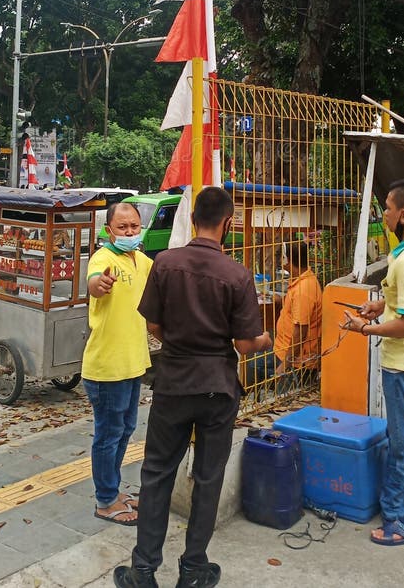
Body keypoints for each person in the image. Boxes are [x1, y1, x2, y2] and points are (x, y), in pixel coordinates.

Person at [114, 186, 272, 588]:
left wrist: (180, 344)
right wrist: (267, 340)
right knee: (207, 476)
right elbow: (244, 343)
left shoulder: (165, 264)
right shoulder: (236, 274)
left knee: (156, 474)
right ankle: (193, 568)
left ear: (192, 219)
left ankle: (144, 569)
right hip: (218, 388)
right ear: (228, 223)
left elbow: (152, 325)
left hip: (174, 383)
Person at [342, 179, 404, 547]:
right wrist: (379, 305)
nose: (381, 213)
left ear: (403, 214)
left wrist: (365, 328)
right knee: (402, 442)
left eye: (386, 207)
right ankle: (398, 512)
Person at [84, 202, 153, 526]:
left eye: (134, 227)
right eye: (122, 227)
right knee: (108, 434)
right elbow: (94, 281)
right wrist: (99, 285)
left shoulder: (142, 262)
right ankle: (105, 500)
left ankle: (112, 491)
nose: (128, 232)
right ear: (109, 230)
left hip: (133, 364)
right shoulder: (103, 258)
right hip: (107, 367)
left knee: (124, 430)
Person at [246, 239, 322, 396]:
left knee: (282, 397)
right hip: (283, 348)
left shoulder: (303, 291)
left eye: (280, 256)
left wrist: (285, 364)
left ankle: (259, 399)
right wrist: (280, 299)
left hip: (297, 360)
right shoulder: (301, 280)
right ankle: (258, 398)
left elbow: (300, 331)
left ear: (287, 259)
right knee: (255, 364)